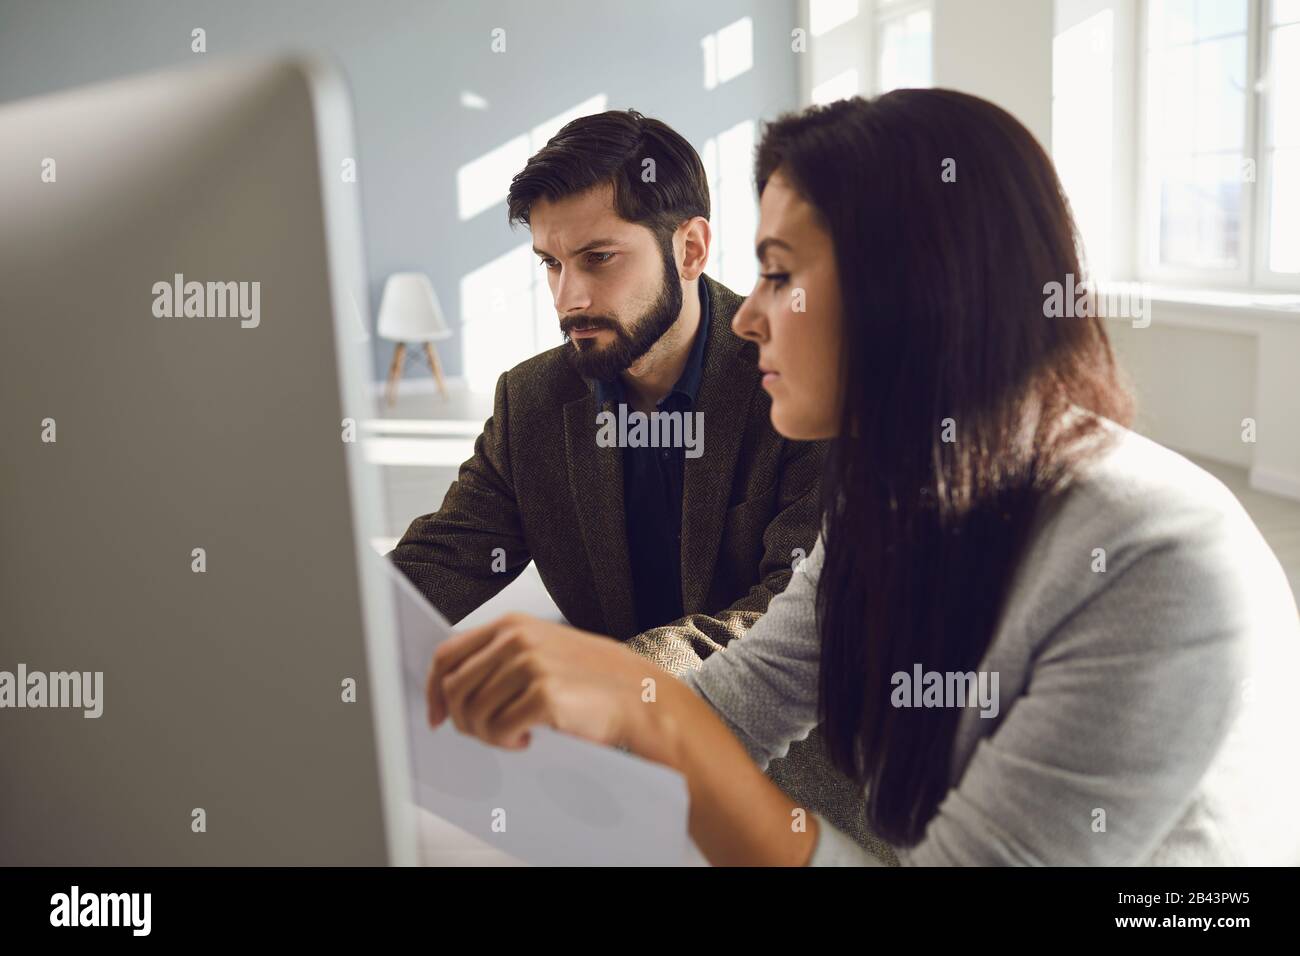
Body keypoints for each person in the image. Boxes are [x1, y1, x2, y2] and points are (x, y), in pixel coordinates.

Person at [423, 90, 1300, 866]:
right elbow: (749, 696)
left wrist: (642, 710)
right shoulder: (893, 494)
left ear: (910, 292)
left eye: (780, 275)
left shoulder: (1157, 555)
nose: (752, 317)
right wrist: (580, 720)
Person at [388, 109, 886, 853]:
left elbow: (790, 623)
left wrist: (609, 682)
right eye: (551, 265)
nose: (568, 299)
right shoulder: (531, 402)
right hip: (624, 786)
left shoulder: (797, 380)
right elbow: (440, 560)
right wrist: (319, 642)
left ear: (690, 248)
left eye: (598, 259)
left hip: (793, 784)